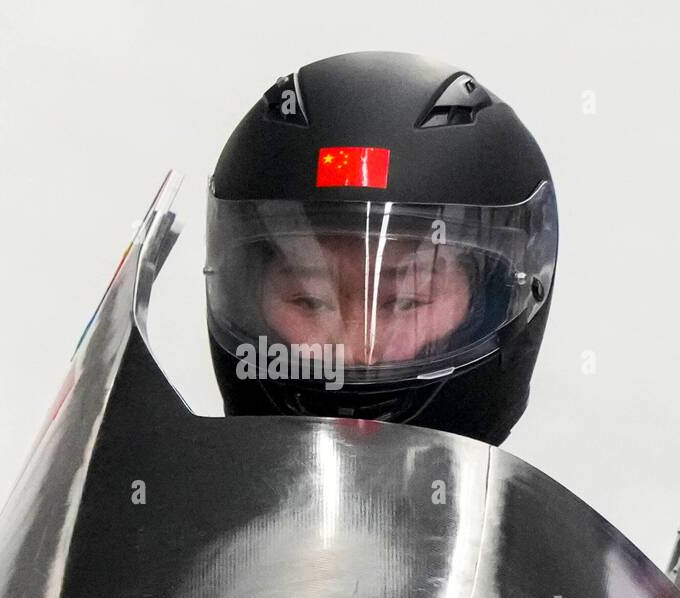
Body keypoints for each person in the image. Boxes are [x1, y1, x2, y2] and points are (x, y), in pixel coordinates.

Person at [204, 51, 558, 444]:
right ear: (242, 293)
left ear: (493, 297)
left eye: (408, 300)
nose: (359, 353)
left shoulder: (540, 509)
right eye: (309, 300)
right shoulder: (175, 503)